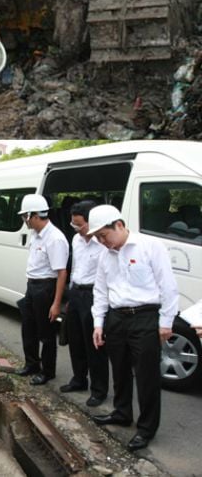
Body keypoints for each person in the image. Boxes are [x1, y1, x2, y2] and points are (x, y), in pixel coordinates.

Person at [89, 205, 179, 452]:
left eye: (103, 236)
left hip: (145, 317)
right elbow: (100, 290)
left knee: (146, 375)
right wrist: (99, 322)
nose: (102, 242)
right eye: (97, 238)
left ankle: (146, 428)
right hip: (117, 318)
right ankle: (122, 412)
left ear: (118, 225)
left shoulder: (150, 247)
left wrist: (166, 322)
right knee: (119, 369)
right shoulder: (105, 255)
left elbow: (168, 285)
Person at [15, 194, 69, 385]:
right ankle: (32, 364)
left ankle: (48, 371)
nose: (24, 221)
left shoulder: (55, 238)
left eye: (25, 217)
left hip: (46, 288)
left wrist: (56, 303)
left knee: (45, 333)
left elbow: (61, 272)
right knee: (28, 327)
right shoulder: (36, 235)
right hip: (33, 285)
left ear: (33, 215)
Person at [62, 201, 110, 407]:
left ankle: (99, 390)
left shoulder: (104, 244)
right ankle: (79, 379)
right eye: (74, 225)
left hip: (93, 295)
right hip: (76, 292)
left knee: (95, 345)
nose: (77, 230)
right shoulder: (76, 239)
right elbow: (75, 267)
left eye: (80, 225)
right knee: (76, 340)